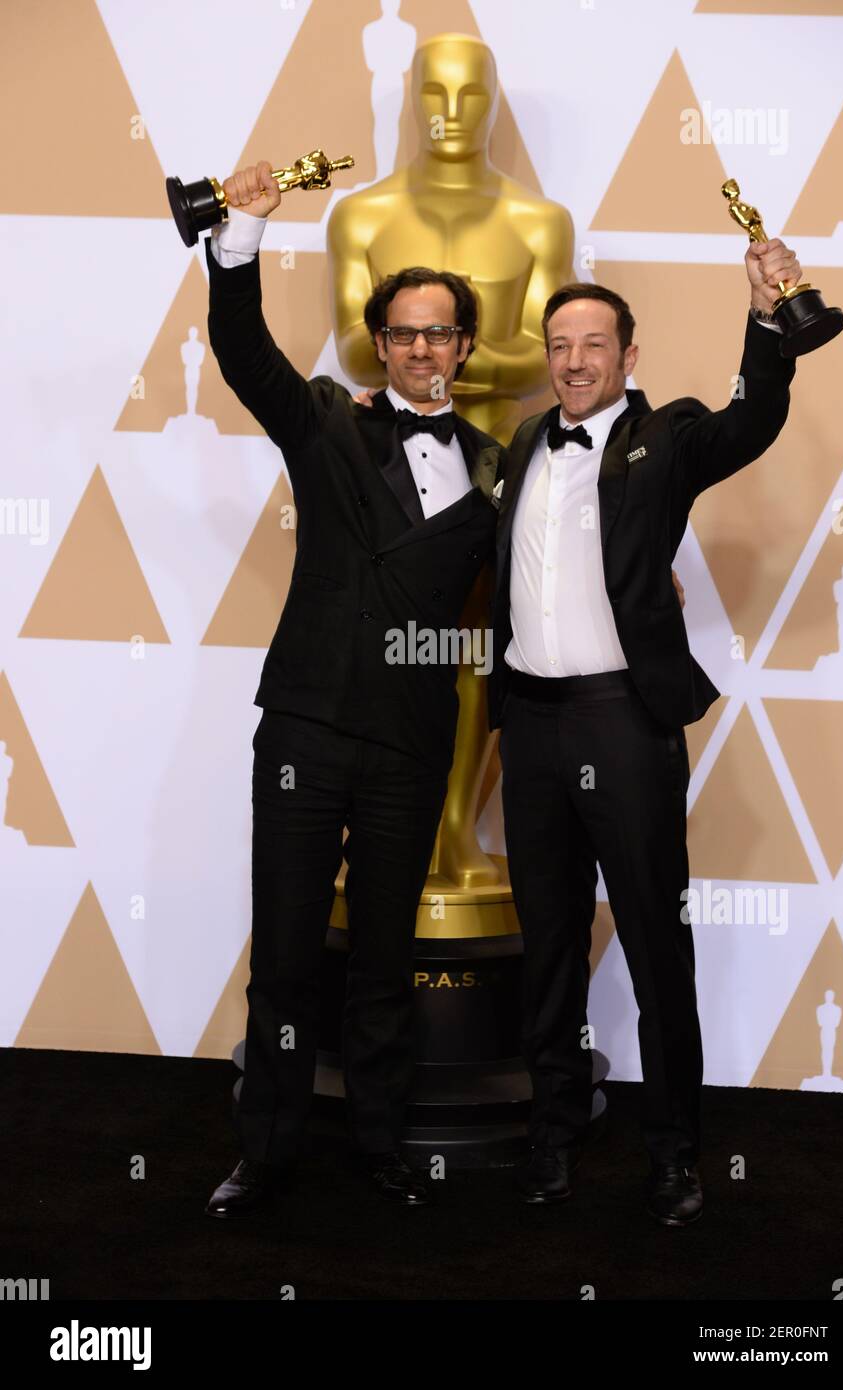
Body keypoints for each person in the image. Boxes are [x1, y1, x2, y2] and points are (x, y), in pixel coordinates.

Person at [203, 160, 501, 1216]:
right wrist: (238, 234)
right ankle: (266, 1151)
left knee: (385, 956)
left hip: (413, 739)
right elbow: (244, 355)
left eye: (440, 332)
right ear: (382, 343)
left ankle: (381, 1141)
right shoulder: (326, 418)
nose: (422, 347)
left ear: (465, 348)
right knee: (284, 953)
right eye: (404, 332)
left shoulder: (496, 469)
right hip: (306, 723)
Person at [487, 239, 800, 1224]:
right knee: (546, 943)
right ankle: (553, 1129)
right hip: (528, 727)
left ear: (626, 355)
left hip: (620, 721)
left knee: (657, 946)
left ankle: (672, 1153)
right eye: (559, 344)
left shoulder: (663, 438)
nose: (573, 361)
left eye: (593, 344)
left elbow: (751, 419)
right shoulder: (522, 444)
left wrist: (764, 316)